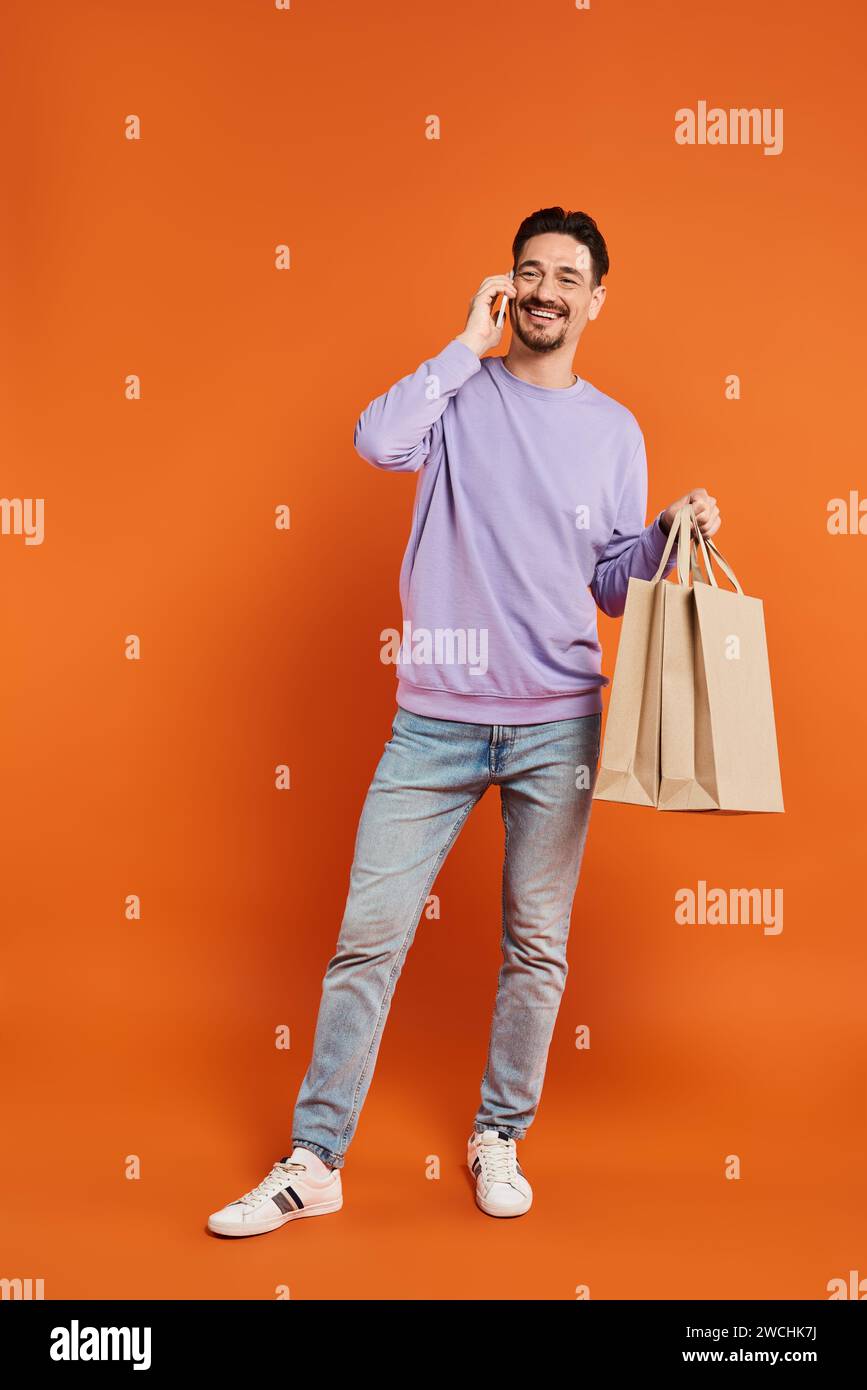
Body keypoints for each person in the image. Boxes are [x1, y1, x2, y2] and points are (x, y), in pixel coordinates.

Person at [207, 206, 720, 1236]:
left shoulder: (615, 429)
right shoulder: (456, 395)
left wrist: (667, 533)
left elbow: (614, 586)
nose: (543, 290)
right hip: (434, 720)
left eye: (565, 277)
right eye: (527, 272)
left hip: (559, 726)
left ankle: (500, 1133)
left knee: (537, 945)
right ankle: (316, 1160)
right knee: (369, 938)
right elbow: (374, 438)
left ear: (595, 300)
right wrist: (461, 343)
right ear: (507, 288)